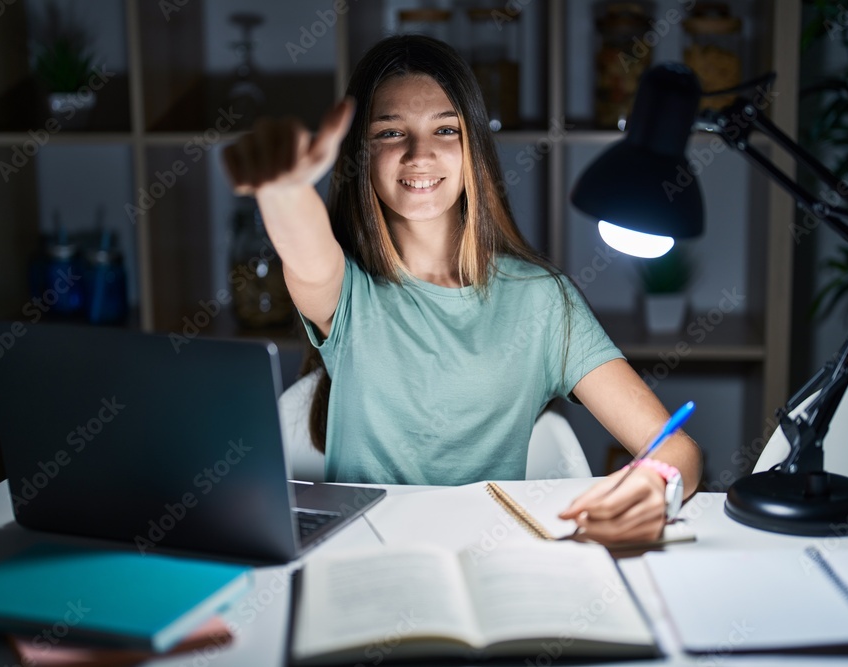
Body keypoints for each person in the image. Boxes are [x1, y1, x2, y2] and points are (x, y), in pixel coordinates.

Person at [222, 35, 701, 544]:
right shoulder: (347, 292)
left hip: (490, 560)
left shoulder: (543, 302)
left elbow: (679, 451)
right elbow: (306, 251)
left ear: (474, 145)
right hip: (362, 559)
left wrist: (656, 483)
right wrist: (283, 189)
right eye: (390, 132)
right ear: (361, 154)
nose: (419, 154)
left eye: (445, 129)